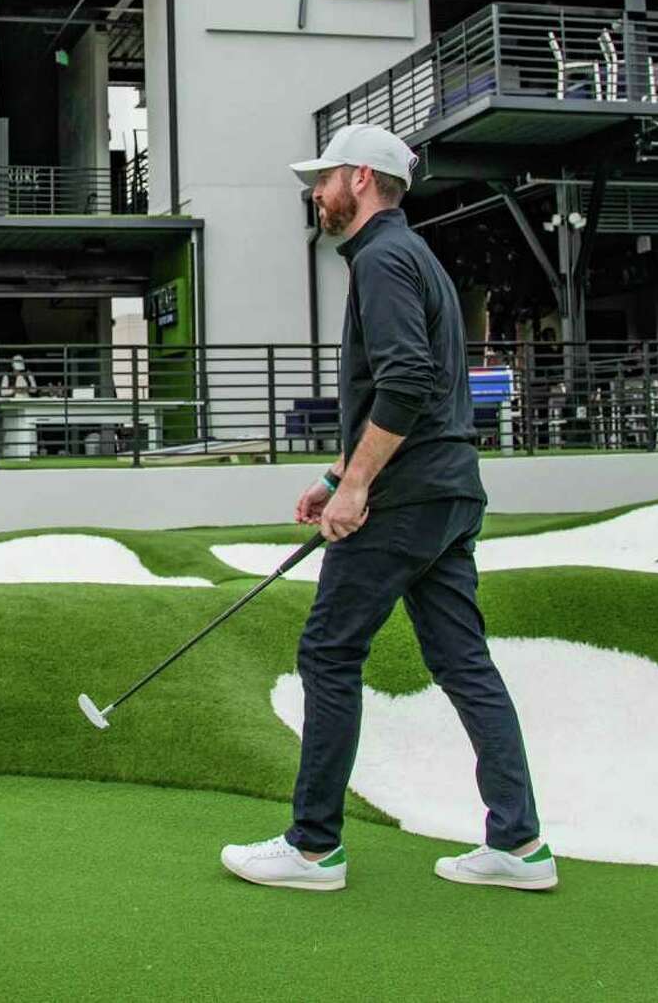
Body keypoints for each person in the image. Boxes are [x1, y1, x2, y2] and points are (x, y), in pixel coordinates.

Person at [220, 124, 552, 895]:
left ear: (361, 179)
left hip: (406, 495)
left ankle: (312, 849)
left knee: (329, 651)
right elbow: (401, 386)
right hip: (446, 487)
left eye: (325, 177)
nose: (315, 191)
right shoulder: (410, 256)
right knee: (462, 661)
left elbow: (405, 381)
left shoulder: (382, 259)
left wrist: (362, 487)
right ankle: (520, 842)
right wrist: (338, 475)